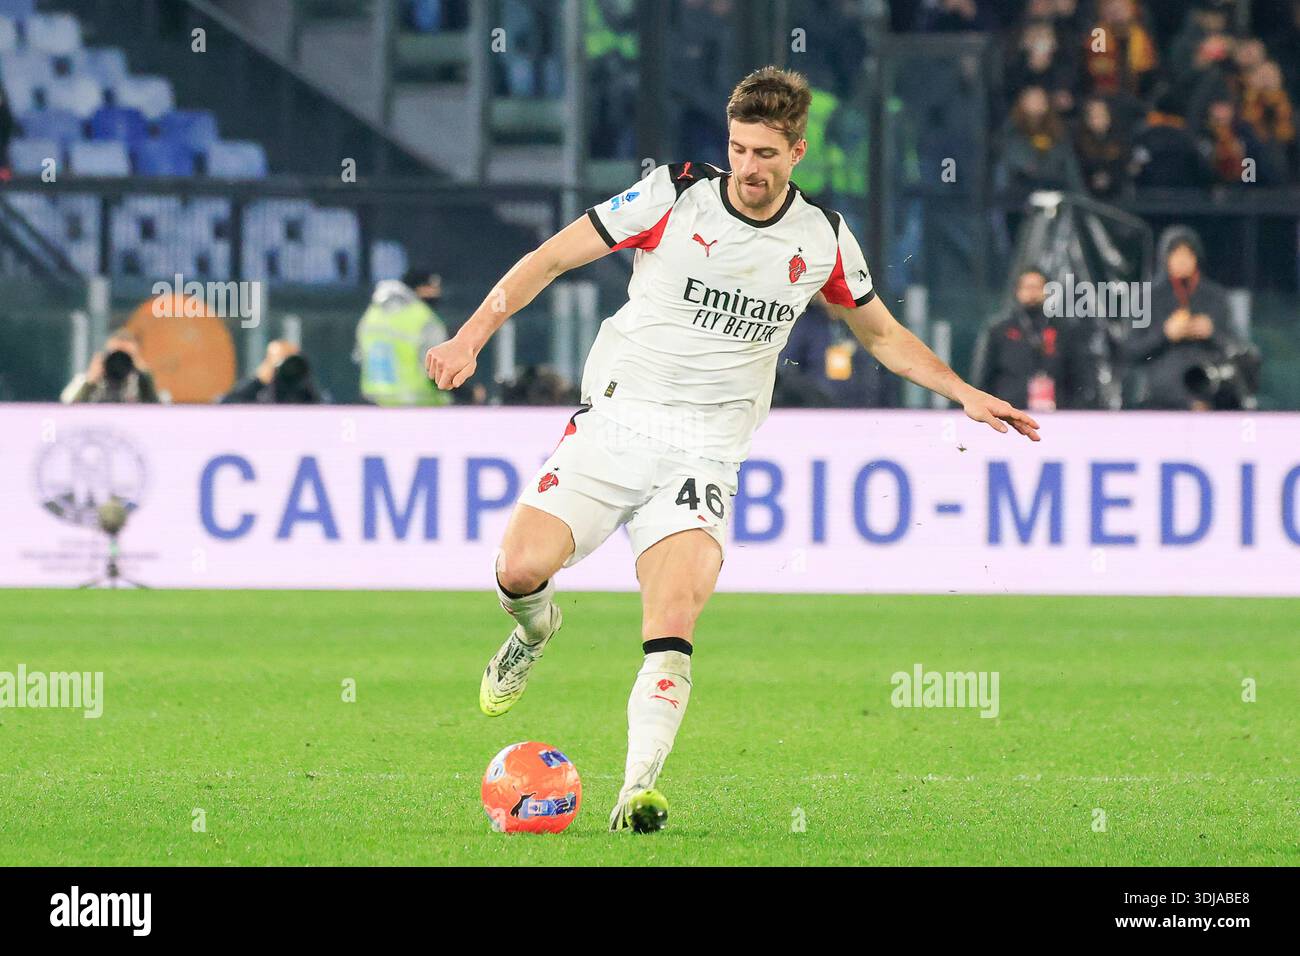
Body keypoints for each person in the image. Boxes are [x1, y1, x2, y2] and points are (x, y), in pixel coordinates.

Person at [423, 67, 1040, 832]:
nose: (749, 167)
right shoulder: (673, 195)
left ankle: (635, 791)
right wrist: (471, 334)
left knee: (672, 617)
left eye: (766, 154)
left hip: (704, 455)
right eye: (739, 149)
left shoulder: (822, 239)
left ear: (798, 152)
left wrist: (964, 393)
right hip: (617, 425)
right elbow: (551, 257)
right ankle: (534, 630)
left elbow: (879, 333)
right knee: (518, 568)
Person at [1123, 225, 1254, 410]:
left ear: (1196, 258)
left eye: (1187, 255)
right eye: (1176, 255)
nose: (1182, 261)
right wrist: (1165, 334)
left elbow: (1236, 346)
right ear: (1165, 259)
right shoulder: (1147, 297)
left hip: (1210, 387)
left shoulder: (1216, 296)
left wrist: (1211, 332)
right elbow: (1130, 350)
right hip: (1162, 393)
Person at [970, 269, 1102, 411]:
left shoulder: (1064, 330)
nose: (1032, 293)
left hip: (1059, 414)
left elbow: (1080, 375)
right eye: (1027, 287)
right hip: (1009, 413)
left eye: (1037, 287)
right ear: (1017, 292)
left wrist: (1075, 409)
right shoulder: (999, 331)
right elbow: (984, 377)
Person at [355, 269, 450, 407]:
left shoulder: (372, 314)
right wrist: (469, 394)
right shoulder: (424, 318)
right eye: (431, 288)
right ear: (417, 288)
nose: (436, 293)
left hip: (375, 405)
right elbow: (437, 371)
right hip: (421, 405)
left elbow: (360, 357)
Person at [61, 329, 161, 404]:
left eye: (126, 358)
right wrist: (90, 383)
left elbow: (158, 413)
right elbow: (70, 413)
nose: (119, 362)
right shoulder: (82, 381)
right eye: (115, 356)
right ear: (105, 356)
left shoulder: (142, 383)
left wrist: (145, 377)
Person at [220, 339, 322, 404]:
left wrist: (303, 377)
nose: (288, 367)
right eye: (280, 359)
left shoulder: (303, 389)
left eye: (290, 359)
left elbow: (322, 406)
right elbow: (226, 404)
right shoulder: (259, 391)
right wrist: (258, 381)